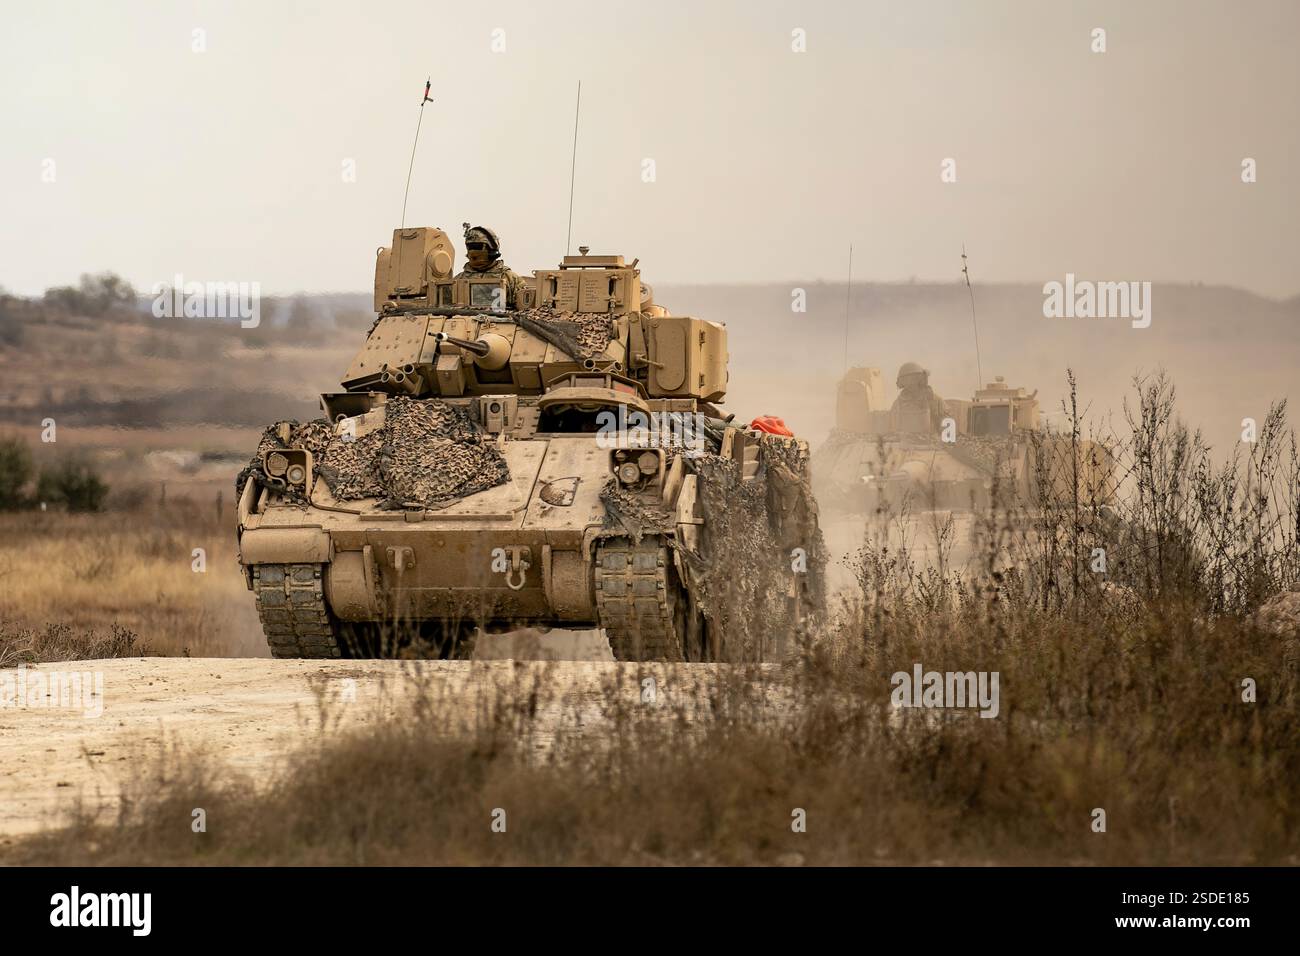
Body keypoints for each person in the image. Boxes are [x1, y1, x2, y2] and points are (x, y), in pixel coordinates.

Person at [456, 223, 526, 309]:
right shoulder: (458, 280)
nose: (473, 251)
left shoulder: (510, 279)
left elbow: (524, 310)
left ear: (491, 249)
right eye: (470, 247)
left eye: (478, 247)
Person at [892, 361, 946, 434]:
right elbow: (894, 429)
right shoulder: (897, 404)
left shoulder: (935, 400)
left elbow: (947, 427)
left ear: (921, 379)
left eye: (914, 379)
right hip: (906, 443)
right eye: (906, 380)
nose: (911, 383)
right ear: (902, 382)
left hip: (931, 442)